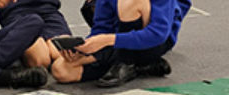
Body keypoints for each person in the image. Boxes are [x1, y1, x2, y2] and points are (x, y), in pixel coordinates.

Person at [50, 0, 190, 87]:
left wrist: (107, 40)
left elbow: (157, 34)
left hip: (154, 42)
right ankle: (140, 66)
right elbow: (101, 28)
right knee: (61, 69)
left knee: (129, 2)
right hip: (118, 40)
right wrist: (85, 49)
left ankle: (127, 62)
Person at [0, 0, 74, 65]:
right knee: (41, 60)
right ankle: (17, 54)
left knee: (65, 56)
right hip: (17, 11)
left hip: (48, 9)